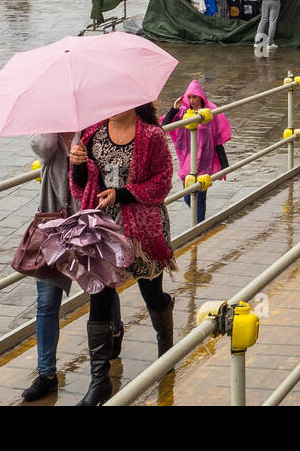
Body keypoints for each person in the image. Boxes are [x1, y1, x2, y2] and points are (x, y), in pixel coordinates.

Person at [69, 102, 175, 407]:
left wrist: (122, 193)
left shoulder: (152, 136)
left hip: (142, 231)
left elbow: (162, 182)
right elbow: (81, 188)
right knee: (98, 298)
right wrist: (77, 164)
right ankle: (99, 381)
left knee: (151, 295)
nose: (113, 106)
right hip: (104, 230)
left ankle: (166, 347)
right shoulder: (92, 134)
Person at [22, 131, 123, 401]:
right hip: (53, 223)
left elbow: (109, 168)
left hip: (89, 220)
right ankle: (46, 374)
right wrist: (53, 123)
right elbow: (43, 146)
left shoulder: (95, 130)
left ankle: (114, 328)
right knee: (46, 300)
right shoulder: (48, 135)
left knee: (101, 284)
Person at [162, 81, 230, 223]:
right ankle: (200, 222)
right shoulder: (183, 112)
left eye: (195, 97)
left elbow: (217, 138)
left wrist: (224, 163)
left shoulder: (210, 113)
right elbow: (165, 126)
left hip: (205, 158)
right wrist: (174, 108)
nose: (192, 101)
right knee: (188, 196)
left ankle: (199, 225)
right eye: (190, 97)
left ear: (201, 97)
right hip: (189, 157)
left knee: (201, 192)